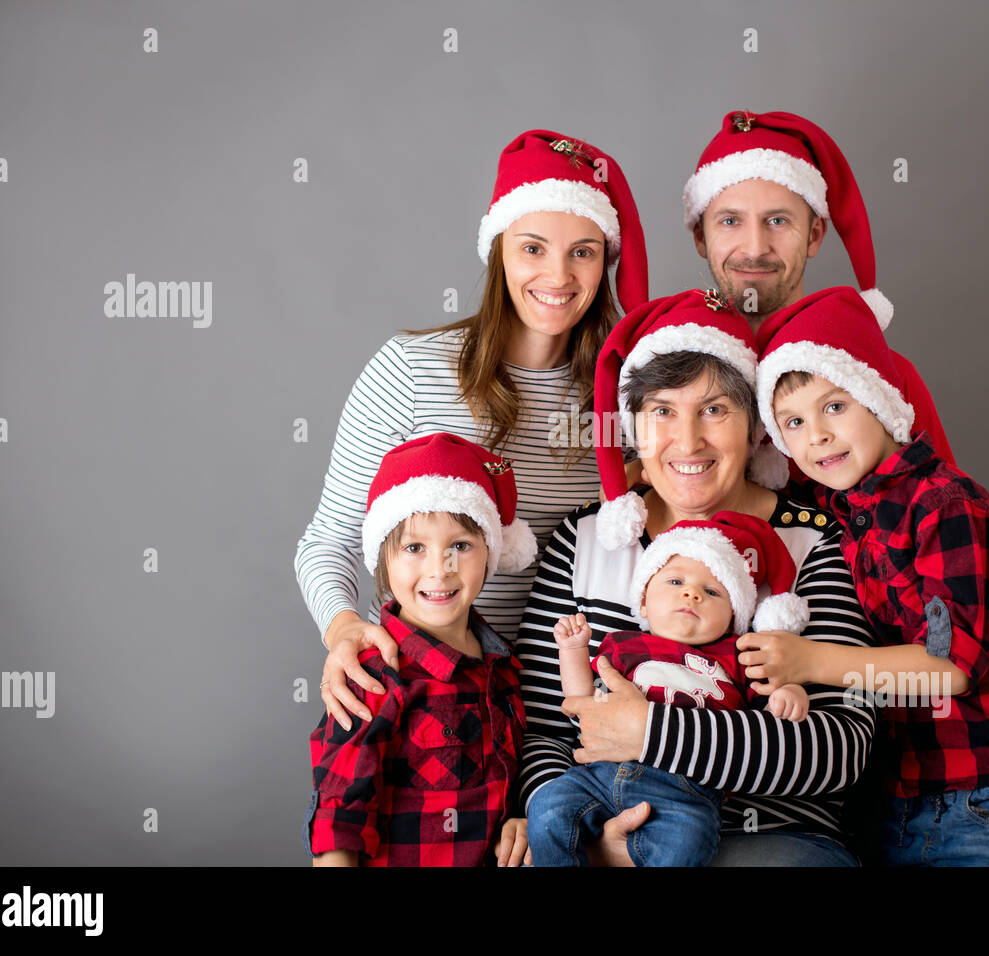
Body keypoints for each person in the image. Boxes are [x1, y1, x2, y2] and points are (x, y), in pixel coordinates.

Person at [294, 129, 648, 746]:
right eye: (533, 247)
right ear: (499, 251)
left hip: (564, 710)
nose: (558, 275)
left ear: (606, 260)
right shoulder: (410, 370)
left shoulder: (627, 394)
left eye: (583, 252)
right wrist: (343, 625)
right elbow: (326, 541)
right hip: (432, 702)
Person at [515, 288, 876, 867]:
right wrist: (592, 841)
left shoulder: (812, 543)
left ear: (755, 425)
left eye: (714, 410)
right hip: (599, 828)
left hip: (768, 839)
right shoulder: (581, 543)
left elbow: (840, 747)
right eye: (662, 411)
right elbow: (543, 727)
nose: (687, 441)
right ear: (633, 424)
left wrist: (654, 734)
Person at [752, 286, 989, 865]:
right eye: (792, 422)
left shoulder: (946, 505)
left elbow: (950, 666)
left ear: (878, 398)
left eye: (835, 406)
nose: (816, 435)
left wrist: (807, 662)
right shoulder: (846, 512)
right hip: (897, 794)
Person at [527, 511, 811, 866]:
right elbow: (580, 701)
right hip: (599, 775)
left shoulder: (738, 655)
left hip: (685, 790)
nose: (691, 594)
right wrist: (571, 650)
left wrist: (789, 693)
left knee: (686, 843)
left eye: (712, 591)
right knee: (548, 808)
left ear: (734, 616)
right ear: (644, 601)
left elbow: (772, 696)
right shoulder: (623, 644)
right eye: (675, 583)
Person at [304, 433, 536, 866]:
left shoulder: (502, 666)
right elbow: (338, 824)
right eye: (414, 548)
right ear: (383, 560)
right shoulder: (372, 676)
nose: (439, 569)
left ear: (490, 552)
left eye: (461, 546)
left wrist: (525, 817)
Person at [682, 108, 955, 465]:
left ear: (813, 236)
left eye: (778, 221)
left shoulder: (881, 378)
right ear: (701, 237)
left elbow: (947, 510)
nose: (754, 248)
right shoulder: (669, 383)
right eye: (730, 221)